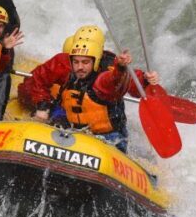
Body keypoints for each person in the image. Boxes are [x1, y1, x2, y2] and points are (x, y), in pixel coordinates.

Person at [29, 37, 159, 153]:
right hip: (74, 129)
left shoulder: (102, 80)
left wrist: (124, 69)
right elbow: (38, 78)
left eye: (85, 62)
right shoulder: (67, 70)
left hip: (108, 136)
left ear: (95, 62)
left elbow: (116, 81)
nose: (80, 67)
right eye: (76, 62)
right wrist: (42, 106)